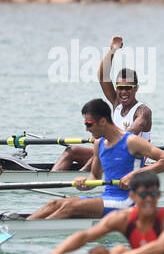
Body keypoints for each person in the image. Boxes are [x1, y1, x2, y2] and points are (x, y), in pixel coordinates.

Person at [28, 99, 164, 219]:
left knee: (70, 206)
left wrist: (135, 175)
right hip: (108, 197)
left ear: (103, 121)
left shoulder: (131, 141)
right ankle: (23, 228)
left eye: (89, 124)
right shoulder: (99, 144)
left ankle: (31, 233)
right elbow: (95, 177)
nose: (87, 130)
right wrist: (84, 184)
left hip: (129, 201)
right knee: (53, 204)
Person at [44, 172, 164, 254]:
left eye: (154, 194)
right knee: (96, 253)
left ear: (159, 195)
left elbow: (161, 246)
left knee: (118, 250)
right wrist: (58, 251)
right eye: (144, 195)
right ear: (132, 196)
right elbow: (85, 236)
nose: (149, 200)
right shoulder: (121, 218)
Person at [53, 36, 154, 171]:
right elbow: (102, 76)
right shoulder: (116, 103)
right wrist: (112, 50)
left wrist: (106, 141)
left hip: (133, 160)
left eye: (128, 87)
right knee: (71, 151)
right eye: (120, 87)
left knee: (100, 152)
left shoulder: (142, 111)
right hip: (112, 153)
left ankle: (79, 181)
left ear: (136, 88)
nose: (123, 92)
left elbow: (131, 133)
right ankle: (52, 180)